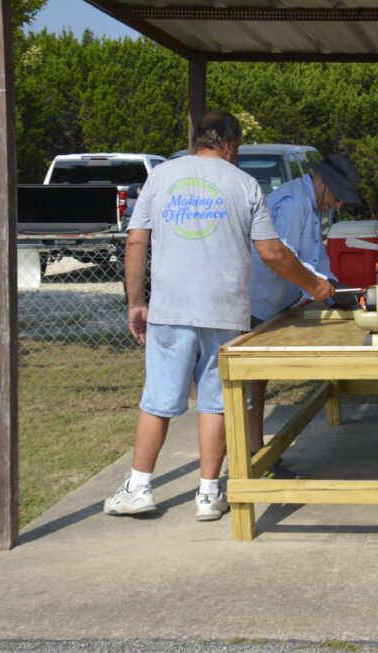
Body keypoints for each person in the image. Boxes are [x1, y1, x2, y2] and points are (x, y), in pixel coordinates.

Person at [104, 110, 334, 521]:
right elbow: (272, 252)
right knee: (217, 403)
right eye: (238, 148)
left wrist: (136, 301)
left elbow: (136, 241)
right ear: (228, 144)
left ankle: (138, 488)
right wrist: (315, 284)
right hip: (226, 311)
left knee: (157, 400)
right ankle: (209, 494)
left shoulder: (161, 176)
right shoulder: (245, 184)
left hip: (171, 308)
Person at [246, 154, 363, 477]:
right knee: (250, 384)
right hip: (257, 301)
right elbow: (282, 257)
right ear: (321, 180)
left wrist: (334, 286)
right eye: (337, 195)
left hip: (279, 301)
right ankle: (252, 458)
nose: (338, 204)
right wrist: (318, 285)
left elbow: (315, 255)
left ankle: (256, 453)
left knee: (258, 380)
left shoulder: (310, 205)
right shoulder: (290, 204)